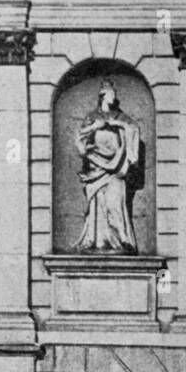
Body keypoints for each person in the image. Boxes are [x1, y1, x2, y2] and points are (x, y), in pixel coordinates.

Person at [74, 81, 141, 253]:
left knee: (114, 203)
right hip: (97, 166)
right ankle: (98, 241)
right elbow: (80, 137)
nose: (115, 97)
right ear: (103, 96)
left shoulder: (121, 117)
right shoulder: (92, 117)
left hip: (116, 167)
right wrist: (95, 130)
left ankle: (121, 240)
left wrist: (116, 125)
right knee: (98, 205)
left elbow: (133, 128)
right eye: (112, 93)